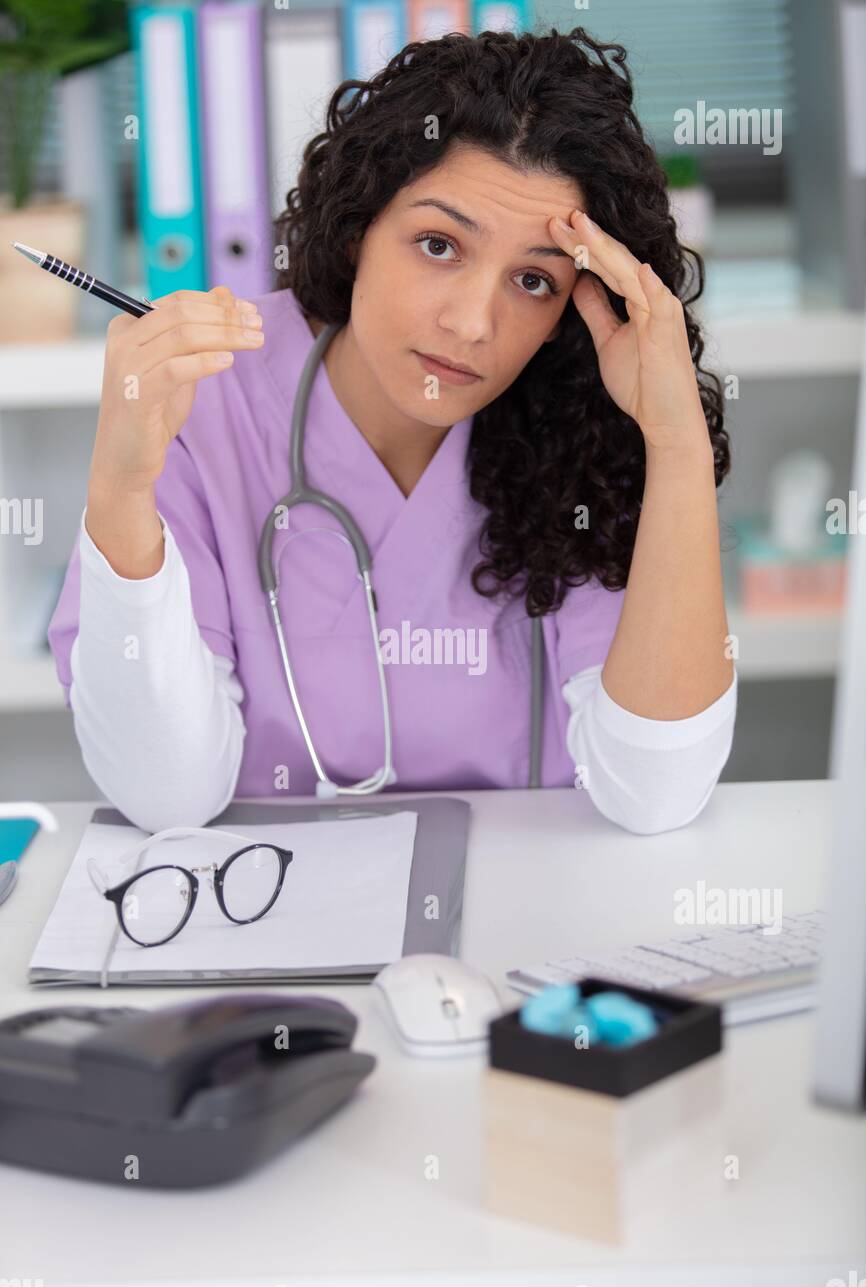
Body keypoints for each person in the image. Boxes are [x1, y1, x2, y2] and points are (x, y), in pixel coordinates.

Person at [47, 25, 737, 833]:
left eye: (532, 280)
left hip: (526, 926)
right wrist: (121, 489)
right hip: (272, 919)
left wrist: (674, 440)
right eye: (439, 244)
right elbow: (166, 798)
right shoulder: (203, 395)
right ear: (355, 229)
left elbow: (656, 796)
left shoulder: (582, 429)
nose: (475, 323)